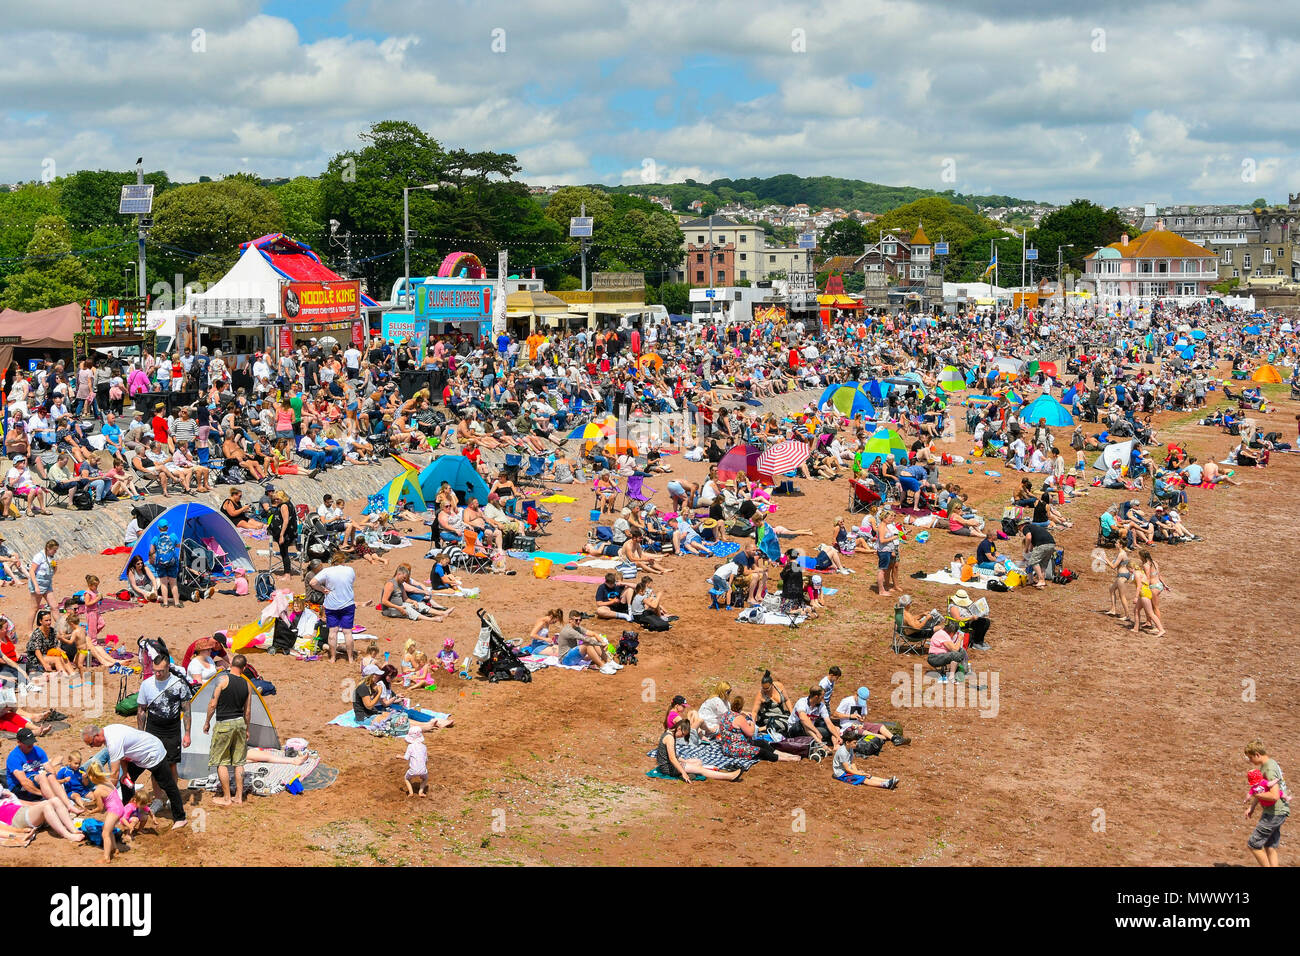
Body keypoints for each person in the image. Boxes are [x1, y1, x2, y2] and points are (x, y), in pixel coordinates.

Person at [82, 722, 187, 828]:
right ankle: (129, 811)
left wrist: (107, 794)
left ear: (97, 736)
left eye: (91, 743)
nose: (92, 746)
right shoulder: (107, 732)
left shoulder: (113, 741)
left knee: (168, 785)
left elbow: (114, 774)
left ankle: (180, 818)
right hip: (138, 757)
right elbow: (122, 755)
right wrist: (125, 771)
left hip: (153, 753)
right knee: (126, 781)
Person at [136, 647, 192, 786]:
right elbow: (141, 710)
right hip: (153, 729)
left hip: (172, 729)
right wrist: (140, 734)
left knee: (171, 764)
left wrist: (187, 734)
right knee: (155, 765)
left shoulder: (179, 684)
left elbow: (187, 710)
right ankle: (158, 797)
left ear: (168, 667)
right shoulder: (146, 684)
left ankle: (172, 795)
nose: (158, 674)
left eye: (161, 671)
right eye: (155, 671)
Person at [203, 654, 253, 807]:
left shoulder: (223, 681)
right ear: (244, 668)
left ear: (231, 665)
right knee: (239, 762)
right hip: (239, 723)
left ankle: (226, 798)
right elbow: (248, 711)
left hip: (224, 724)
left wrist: (207, 722)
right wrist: (247, 728)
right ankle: (238, 797)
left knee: (222, 761)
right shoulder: (247, 685)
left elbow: (213, 704)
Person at [656, 715, 742, 783]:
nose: (681, 737)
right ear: (679, 728)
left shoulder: (669, 732)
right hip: (669, 768)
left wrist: (684, 761)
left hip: (669, 764)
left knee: (698, 762)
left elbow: (671, 755)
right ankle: (730, 776)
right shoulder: (670, 738)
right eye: (682, 735)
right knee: (701, 770)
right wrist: (683, 772)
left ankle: (691, 771)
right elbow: (672, 758)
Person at [1244, 740, 1289, 867]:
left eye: (1251, 757)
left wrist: (1255, 794)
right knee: (1270, 845)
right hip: (1280, 811)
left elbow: (1274, 796)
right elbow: (1264, 789)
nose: (1250, 761)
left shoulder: (1268, 769)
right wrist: (1252, 807)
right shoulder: (1271, 763)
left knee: (1253, 844)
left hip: (1274, 813)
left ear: (1257, 754)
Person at [311, 552, 358, 662]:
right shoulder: (350, 570)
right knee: (348, 632)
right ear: (343, 560)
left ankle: (332, 657)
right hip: (347, 603)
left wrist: (323, 589)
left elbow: (313, 582)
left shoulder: (327, 571)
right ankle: (350, 658)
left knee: (333, 632)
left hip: (332, 604)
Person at [831, 729, 899, 789]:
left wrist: (858, 772)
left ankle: (886, 780)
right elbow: (847, 769)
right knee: (863, 778)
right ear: (847, 743)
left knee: (866, 775)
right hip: (841, 774)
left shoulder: (850, 748)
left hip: (847, 771)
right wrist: (859, 774)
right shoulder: (842, 752)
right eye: (854, 743)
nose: (856, 744)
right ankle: (885, 784)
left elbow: (852, 763)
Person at [150, 518, 181, 607]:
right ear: (167, 527)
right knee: (173, 583)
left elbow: (151, 550)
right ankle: (177, 603)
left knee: (163, 583)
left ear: (158, 528)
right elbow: (178, 545)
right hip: (172, 562)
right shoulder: (173, 536)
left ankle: (165, 603)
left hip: (160, 563)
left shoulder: (155, 538)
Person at [27, 539, 58, 630]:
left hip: (47, 583)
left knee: (55, 606)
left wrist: (55, 567)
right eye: (54, 550)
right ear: (48, 548)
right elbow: (32, 571)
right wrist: (36, 586)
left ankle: (62, 629)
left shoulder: (51, 557)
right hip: (38, 582)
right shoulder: (39, 556)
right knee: (34, 608)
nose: (55, 552)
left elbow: (52, 573)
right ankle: (29, 631)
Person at [927, 619, 968, 683]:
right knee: (956, 654)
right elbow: (955, 649)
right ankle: (952, 676)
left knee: (961, 651)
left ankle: (963, 671)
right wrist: (959, 639)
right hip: (934, 658)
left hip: (939, 656)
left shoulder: (943, 633)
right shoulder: (943, 634)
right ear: (952, 632)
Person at [1020, 519, 1056, 589]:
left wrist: (1026, 549)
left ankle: (1041, 580)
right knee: (1043, 564)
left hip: (1043, 545)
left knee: (1033, 561)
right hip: (1052, 544)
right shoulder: (1035, 529)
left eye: (1019, 529)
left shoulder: (1026, 527)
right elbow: (1032, 547)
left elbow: (1028, 537)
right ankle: (1042, 583)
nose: (1020, 531)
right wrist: (1028, 551)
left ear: (1021, 526)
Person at [400, 727, 428, 797]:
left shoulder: (410, 746)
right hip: (423, 770)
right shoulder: (424, 747)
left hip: (413, 770)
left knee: (406, 778)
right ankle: (421, 792)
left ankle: (411, 792)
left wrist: (399, 756)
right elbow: (426, 760)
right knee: (425, 779)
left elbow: (406, 758)